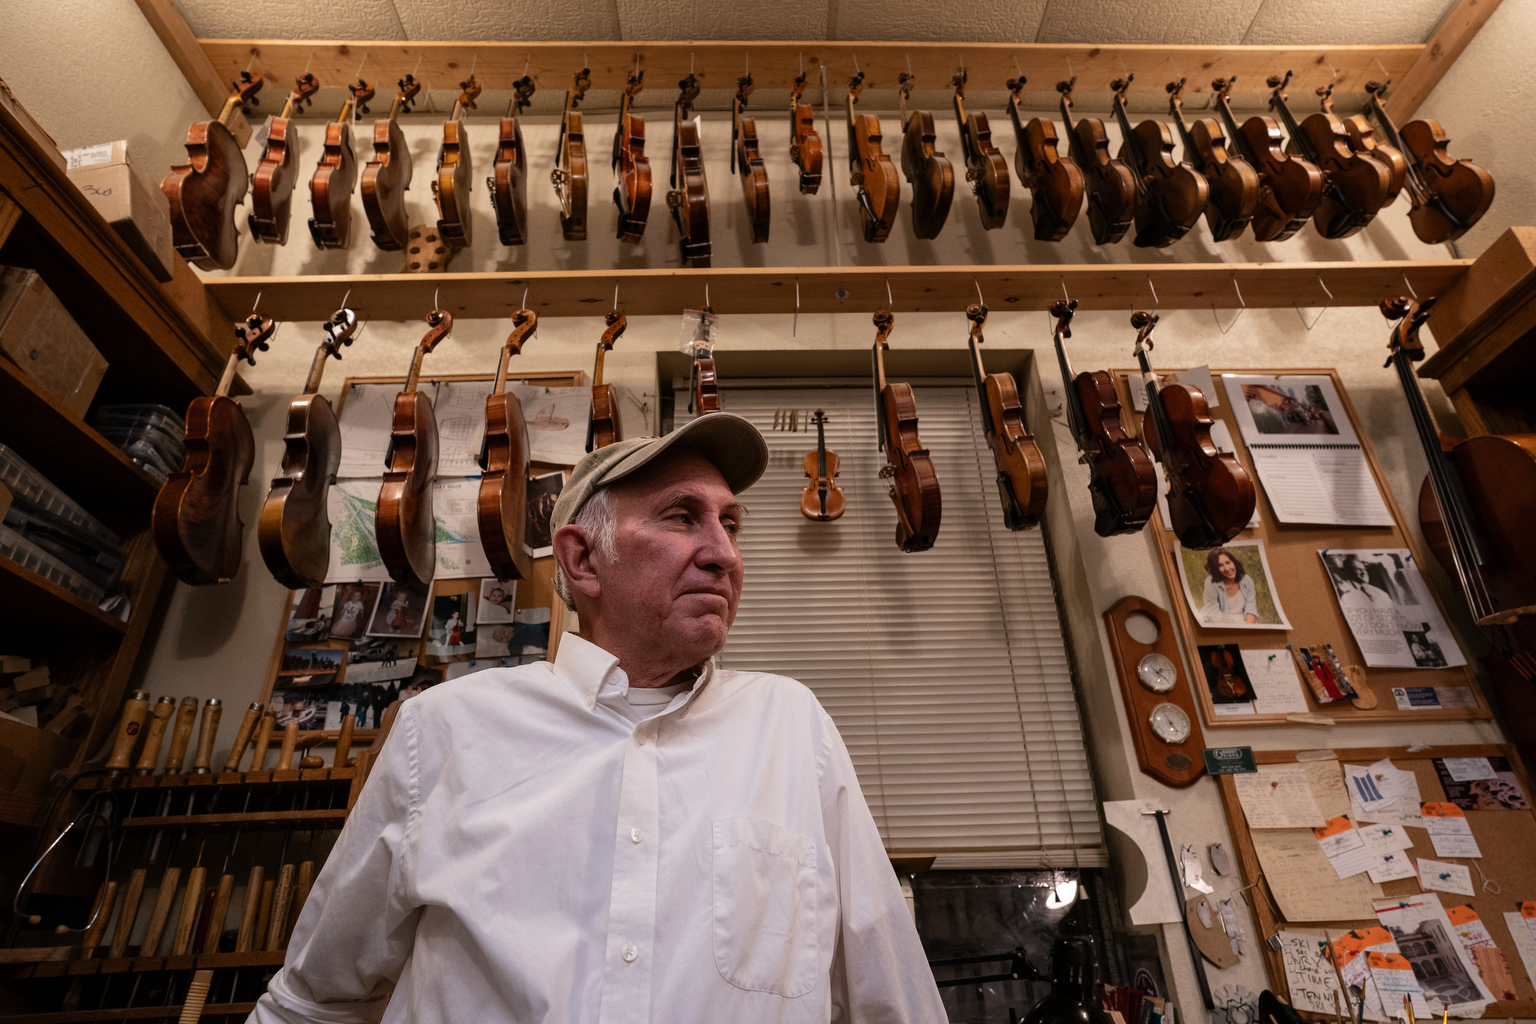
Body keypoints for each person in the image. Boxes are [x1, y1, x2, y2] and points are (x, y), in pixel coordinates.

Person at [252, 414, 945, 1023]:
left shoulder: (792, 729)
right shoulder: (443, 732)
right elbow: (311, 1001)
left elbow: (895, 1002)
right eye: (682, 517)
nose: (725, 554)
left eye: (730, 524)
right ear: (583, 559)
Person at [1200, 546, 1259, 624]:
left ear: (1233, 562)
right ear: (1216, 569)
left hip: (1242, 621)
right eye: (1220, 565)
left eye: (1228, 563)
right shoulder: (1211, 582)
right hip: (1219, 621)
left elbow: (1251, 608)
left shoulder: (1247, 581)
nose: (1227, 568)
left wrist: (1249, 627)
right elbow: (1213, 612)